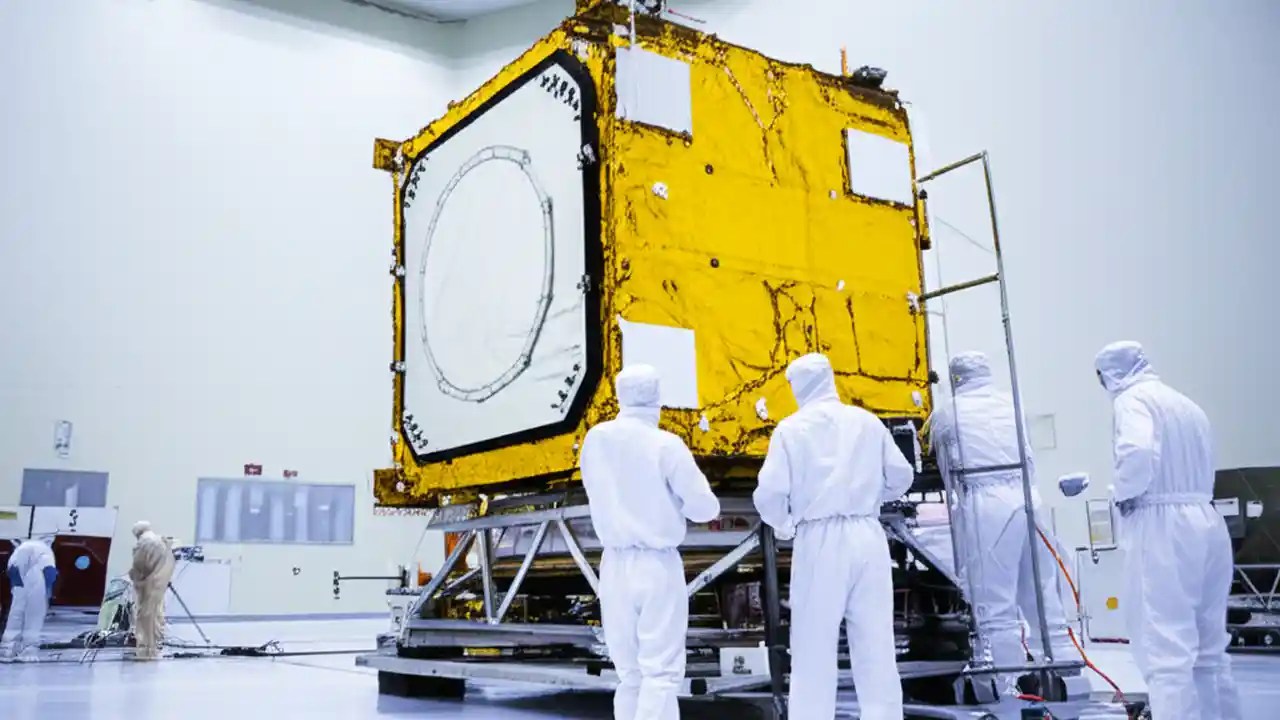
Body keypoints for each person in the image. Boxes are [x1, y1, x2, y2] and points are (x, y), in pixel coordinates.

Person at [753, 353, 913, 720]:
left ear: (798, 386)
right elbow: (901, 476)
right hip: (868, 536)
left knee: (813, 646)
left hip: (819, 539)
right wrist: (872, 498)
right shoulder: (867, 422)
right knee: (875, 644)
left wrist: (785, 524)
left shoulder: (790, 430)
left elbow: (770, 495)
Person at [1096, 341, 1241, 719]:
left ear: (1109, 374)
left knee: (1166, 653)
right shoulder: (1186, 404)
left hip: (1162, 526)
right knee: (1210, 654)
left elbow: (1137, 454)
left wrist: (1122, 494)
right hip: (1206, 518)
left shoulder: (1132, 401)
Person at [579, 364, 721, 720]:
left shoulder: (596, 439)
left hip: (613, 566)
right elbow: (704, 507)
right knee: (660, 672)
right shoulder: (666, 445)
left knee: (630, 674)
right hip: (657, 565)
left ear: (619, 395)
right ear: (657, 398)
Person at [927, 351, 1074, 693]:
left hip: (987, 502)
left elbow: (946, 467)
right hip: (1028, 499)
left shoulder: (948, 412)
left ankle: (1007, 683)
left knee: (994, 601)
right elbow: (1028, 454)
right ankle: (1065, 672)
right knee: (1041, 592)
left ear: (955, 377)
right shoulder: (1012, 403)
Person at [1, 538, 58, 661]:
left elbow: (12, 570)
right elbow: (50, 572)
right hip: (39, 573)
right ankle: (29, 650)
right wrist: (47, 594)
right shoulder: (46, 550)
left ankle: (8, 648)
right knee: (35, 612)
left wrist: (16, 588)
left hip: (19, 565)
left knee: (17, 609)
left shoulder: (20, 549)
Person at [129, 521, 175, 661]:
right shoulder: (161, 541)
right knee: (158, 613)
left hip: (149, 583)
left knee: (146, 616)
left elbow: (139, 565)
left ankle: (146, 649)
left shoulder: (143, 543)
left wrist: (134, 576)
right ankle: (156, 644)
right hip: (160, 582)